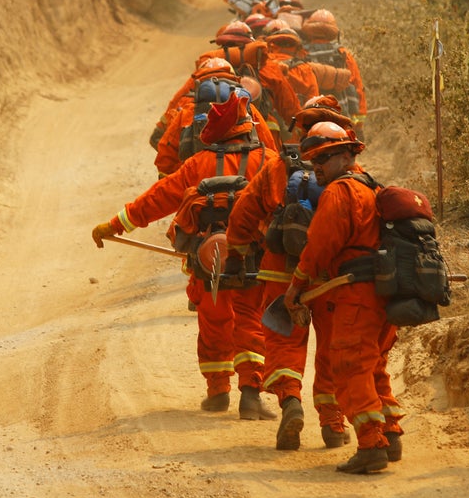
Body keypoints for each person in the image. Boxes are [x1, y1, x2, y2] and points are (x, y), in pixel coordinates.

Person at [92, 91, 279, 419]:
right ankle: (251, 394)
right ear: (247, 128)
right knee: (250, 319)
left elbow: (157, 198)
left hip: (208, 263)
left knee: (214, 319)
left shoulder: (199, 163)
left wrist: (114, 225)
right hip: (253, 259)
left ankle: (218, 391)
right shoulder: (270, 161)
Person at [225, 96, 355, 451]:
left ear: (300, 129)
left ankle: (290, 402)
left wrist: (236, 254)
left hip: (281, 273)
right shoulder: (348, 172)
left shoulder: (277, 167)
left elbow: (243, 214)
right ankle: (332, 424)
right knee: (331, 348)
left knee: (283, 343)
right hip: (329, 276)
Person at [284, 121, 404, 474]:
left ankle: (370, 446)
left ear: (346, 155)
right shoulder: (373, 187)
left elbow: (319, 247)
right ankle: (391, 433)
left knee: (349, 367)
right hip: (384, 294)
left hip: (356, 297)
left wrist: (296, 287)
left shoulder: (340, 193)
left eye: (323, 158)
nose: (315, 167)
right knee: (373, 366)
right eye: (312, 160)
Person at [154, 58, 276, 178]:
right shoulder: (247, 109)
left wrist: (185, 178)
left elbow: (165, 161)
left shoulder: (186, 113)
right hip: (245, 186)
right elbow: (270, 149)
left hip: (198, 188)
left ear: (199, 85)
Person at [301, 9, 369, 139]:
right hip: (340, 116)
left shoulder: (302, 54)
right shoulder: (342, 54)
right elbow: (357, 88)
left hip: (313, 115)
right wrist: (358, 124)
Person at [265, 27, 319, 107]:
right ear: (297, 49)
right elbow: (313, 102)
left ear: (272, 46)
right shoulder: (305, 70)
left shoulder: (263, 65)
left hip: (265, 117)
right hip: (296, 117)